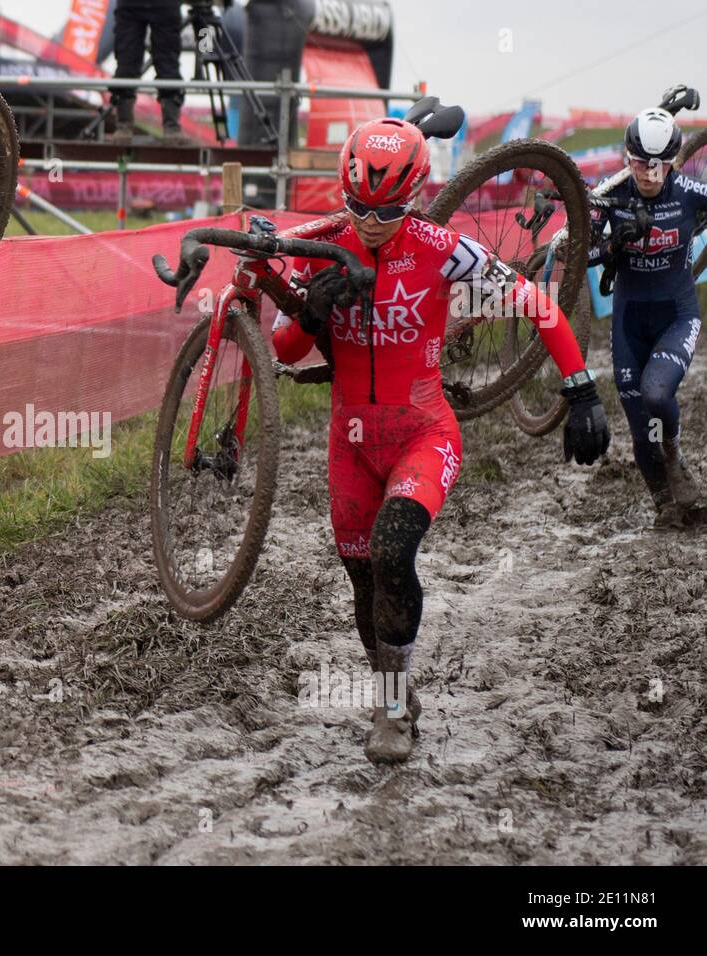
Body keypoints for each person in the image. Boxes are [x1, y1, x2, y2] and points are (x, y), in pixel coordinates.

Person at [272, 117, 611, 764]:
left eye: (388, 210)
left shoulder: (441, 249)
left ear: (417, 195)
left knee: (395, 548)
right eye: (358, 207)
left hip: (423, 431)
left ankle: (392, 714)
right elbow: (285, 351)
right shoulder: (324, 243)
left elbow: (538, 305)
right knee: (363, 583)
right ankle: (394, 687)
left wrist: (581, 389)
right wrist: (311, 310)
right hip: (349, 444)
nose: (370, 222)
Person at [589, 106, 707, 527]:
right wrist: (613, 245)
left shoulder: (692, 192)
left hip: (676, 315)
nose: (651, 175)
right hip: (627, 322)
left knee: (657, 396)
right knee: (640, 425)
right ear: (627, 156)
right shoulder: (610, 195)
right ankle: (667, 507)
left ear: (674, 160)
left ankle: (676, 458)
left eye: (659, 166)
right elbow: (580, 252)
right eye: (641, 164)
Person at [110, 0, 185, 143]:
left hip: (159, 6)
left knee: (167, 64)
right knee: (127, 63)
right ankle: (125, 124)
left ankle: (171, 126)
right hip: (136, 6)